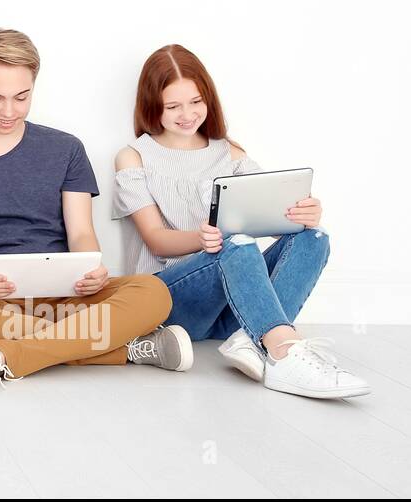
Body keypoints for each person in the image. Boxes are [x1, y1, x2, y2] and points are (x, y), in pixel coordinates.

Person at [0, 28, 188, 391]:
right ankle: (124, 349)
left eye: (21, 97)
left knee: (154, 293)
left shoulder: (66, 148)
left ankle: (4, 357)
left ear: (34, 86)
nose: (8, 111)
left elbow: (81, 232)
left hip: (70, 293)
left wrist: (91, 268)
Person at [114, 43, 368, 399]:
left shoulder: (230, 153)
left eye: (196, 102)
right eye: (173, 106)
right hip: (170, 301)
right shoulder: (134, 157)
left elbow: (270, 213)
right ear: (153, 106)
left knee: (314, 237)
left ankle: (251, 338)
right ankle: (282, 351)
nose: (187, 114)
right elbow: (156, 239)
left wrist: (303, 214)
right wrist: (203, 240)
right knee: (234, 242)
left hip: (233, 306)